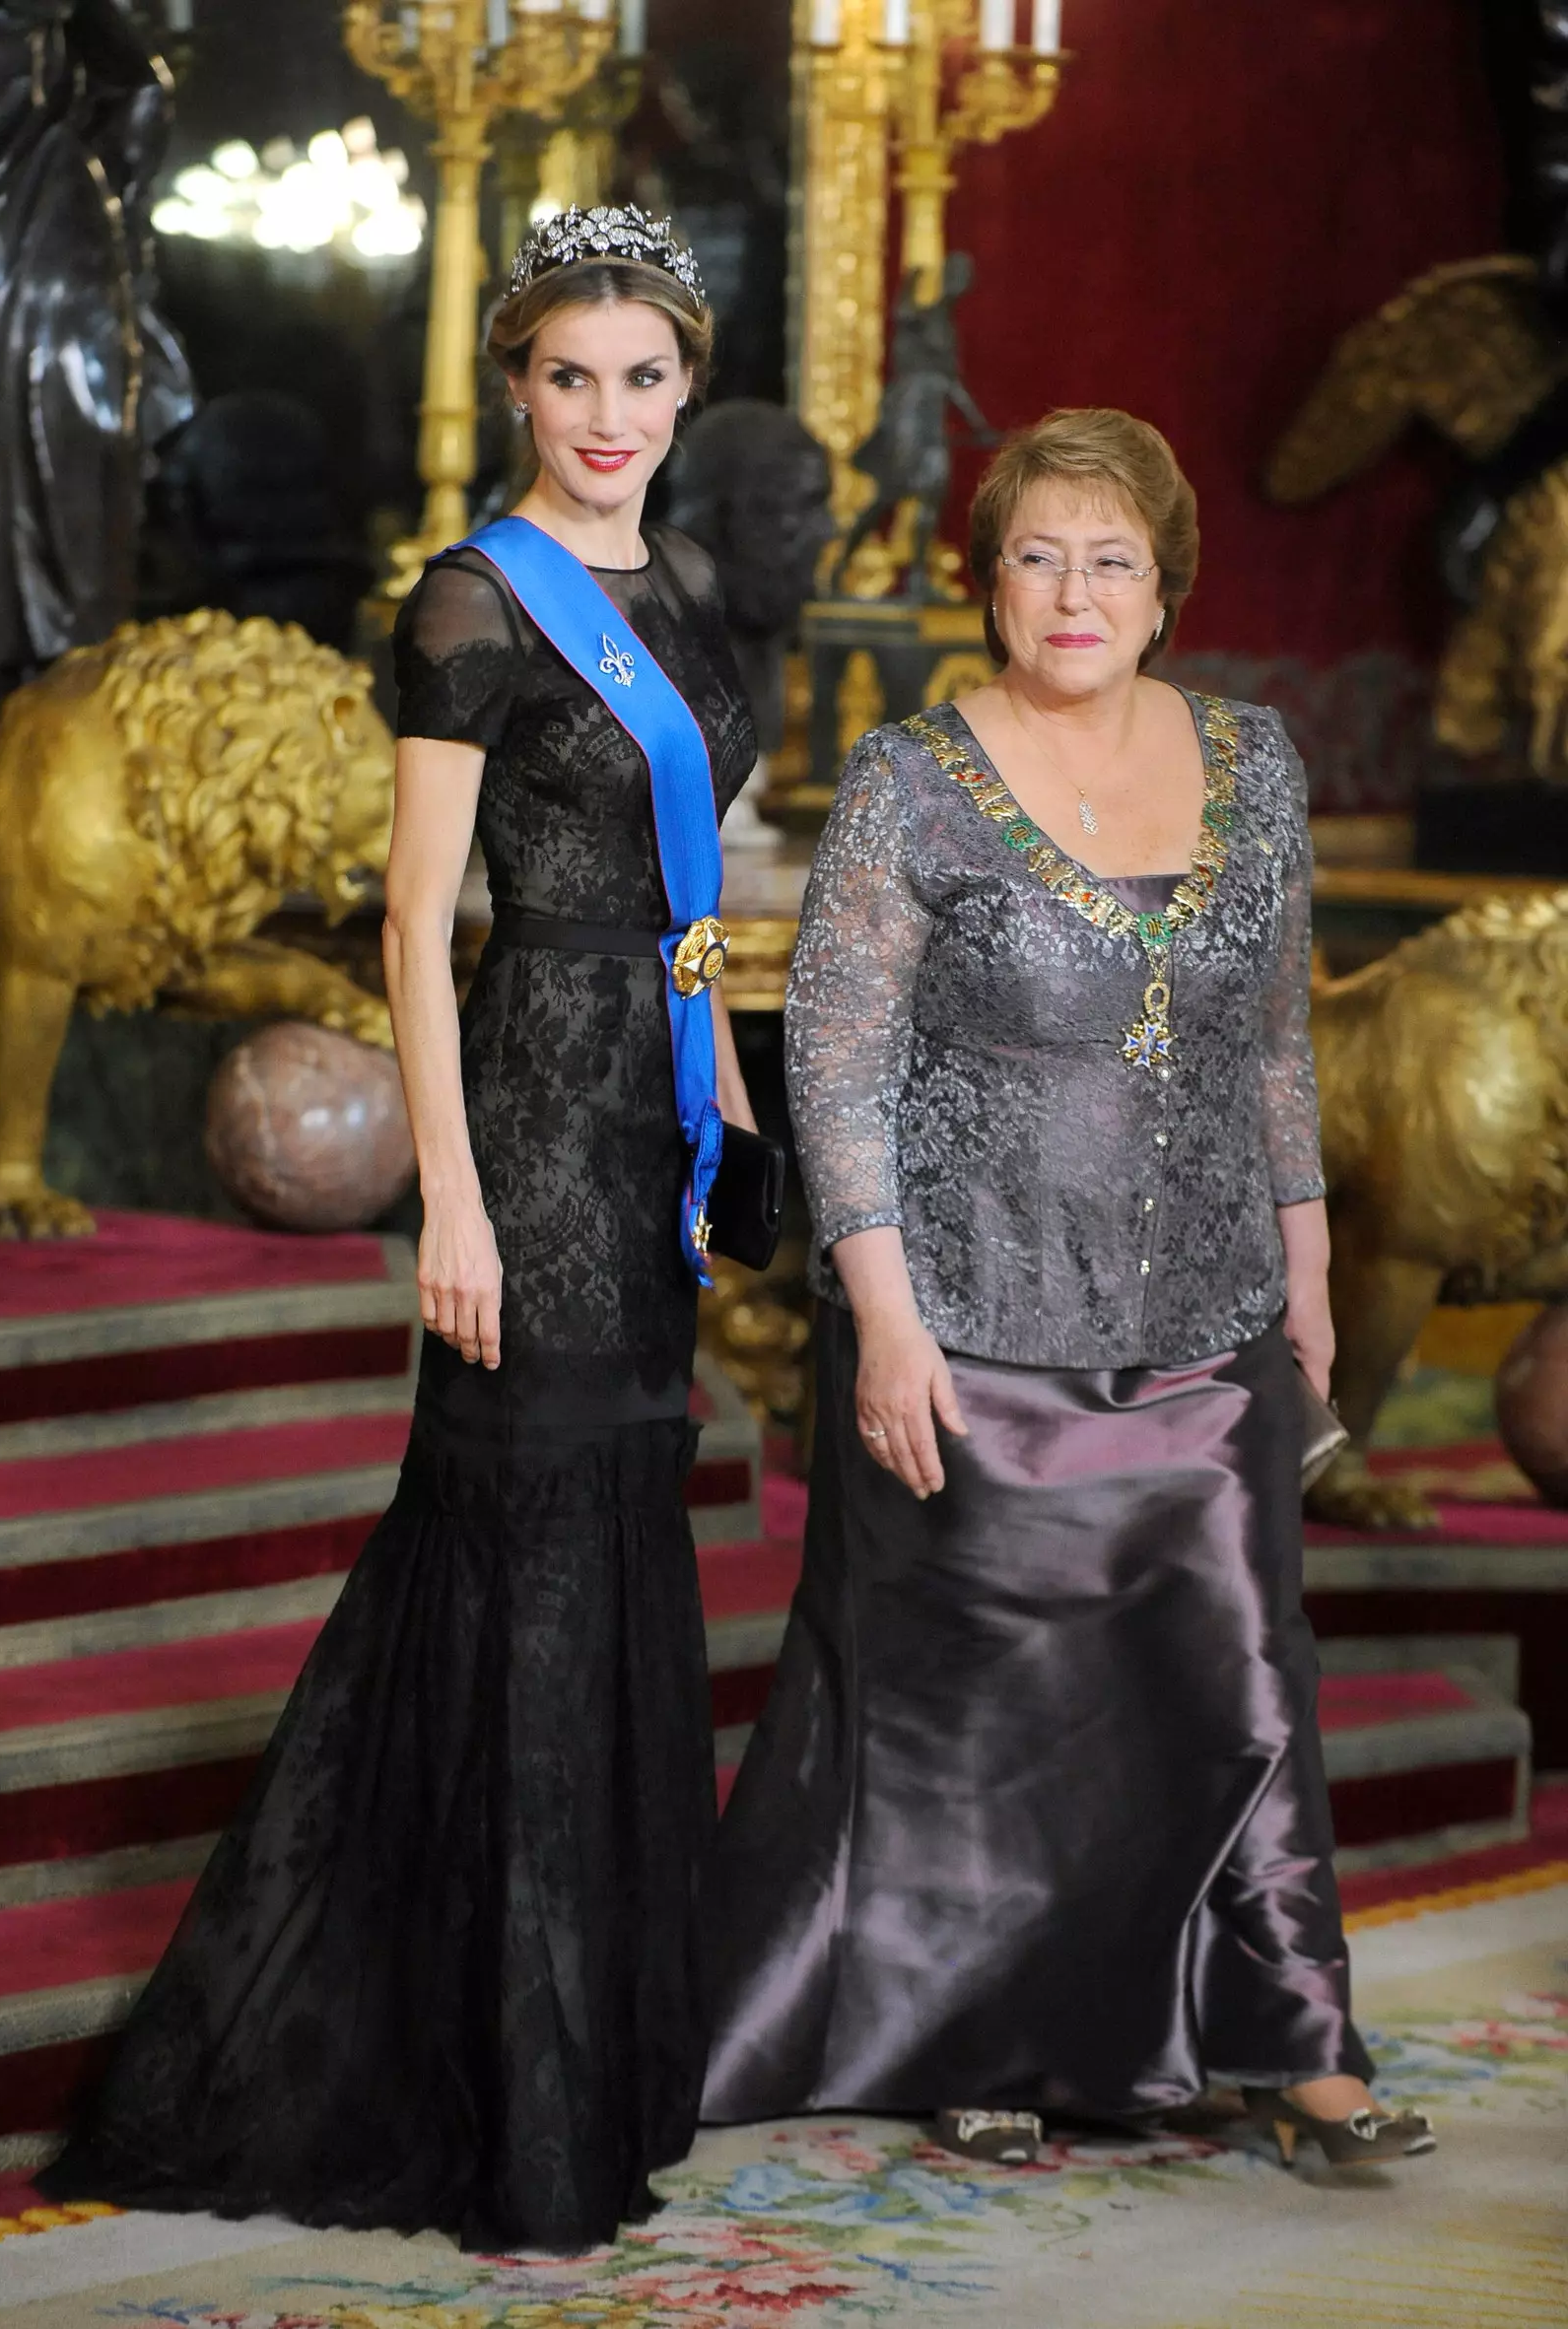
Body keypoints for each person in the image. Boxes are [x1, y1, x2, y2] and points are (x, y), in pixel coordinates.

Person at [41, 205, 759, 2251]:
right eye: (567, 377)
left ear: (683, 386)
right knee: (512, 1567)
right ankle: (496, 2098)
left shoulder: (692, 583)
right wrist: (448, 1191)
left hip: (650, 1119)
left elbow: (679, 871)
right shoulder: (468, 604)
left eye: (640, 377)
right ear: (512, 387)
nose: (605, 416)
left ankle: (596, 2053)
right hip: (524, 1112)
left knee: (616, 1547)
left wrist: (715, 1076)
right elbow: (410, 928)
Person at [701, 408, 1435, 2173]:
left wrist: (1310, 1276)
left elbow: (1275, 1039)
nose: (1075, 589)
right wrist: (881, 1315)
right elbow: (842, 1068)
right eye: (1039, 554)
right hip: (971, 1321)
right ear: (992, 583)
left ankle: (1301, 2044)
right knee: (988, 1716)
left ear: (1166, 586)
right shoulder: (908, 779)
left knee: (1246, 1679)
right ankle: (992, 2033)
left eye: (1112, 558)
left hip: (1206, 1315)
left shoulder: (1259, 765)